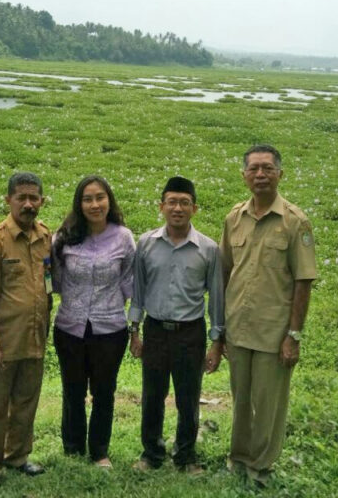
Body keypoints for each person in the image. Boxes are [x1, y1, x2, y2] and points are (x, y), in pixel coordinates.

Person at [220, 144, 318, 488]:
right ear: (244, 175)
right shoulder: (234, 217)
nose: (260, 175)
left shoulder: (295, 221)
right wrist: (219, 330)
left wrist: (294, 335)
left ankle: (261, 467)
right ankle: (238, 459)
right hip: (238, 327)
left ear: (280, 174)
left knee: (269, 404)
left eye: (267, 169)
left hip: (273, 332)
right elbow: (225, 271)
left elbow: (304, 281)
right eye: (254, 169)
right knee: (241, 399)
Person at [128, 176, 224, 475]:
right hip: (155, 331)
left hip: (190, 334)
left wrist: (216, 341)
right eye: (172, 202)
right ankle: (152, 453)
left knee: (188, 397)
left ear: (194, 208)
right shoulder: (146, 243)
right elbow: (138, 291)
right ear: (161, 207)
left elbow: (216, 298)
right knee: (152, 396)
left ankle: (185, 456)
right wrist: (135, 330)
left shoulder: (208, 249)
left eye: (184, 203)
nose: (178, 208)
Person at [0, 172, 53, 485]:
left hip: (33, 336)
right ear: (9, 200)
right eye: (22, 198)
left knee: (25, 402)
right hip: (1, 341)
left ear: (42, 201)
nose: (29, 204)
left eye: (35, 198)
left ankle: (17, 456)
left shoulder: (44, 237)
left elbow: (47, 285)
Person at [51, 175, 135, 469]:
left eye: (100, 197)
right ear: (79, 203)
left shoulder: (123, 237)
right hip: (69, 328)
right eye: (87, 199)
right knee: (72, 390)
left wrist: (134, 324)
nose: (94, 204)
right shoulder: (63, 237)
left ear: (109, 201)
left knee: (104, 391)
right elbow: (56, 281)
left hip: (110, 329)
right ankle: (72, 447)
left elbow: (129, 281)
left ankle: (99, 451)